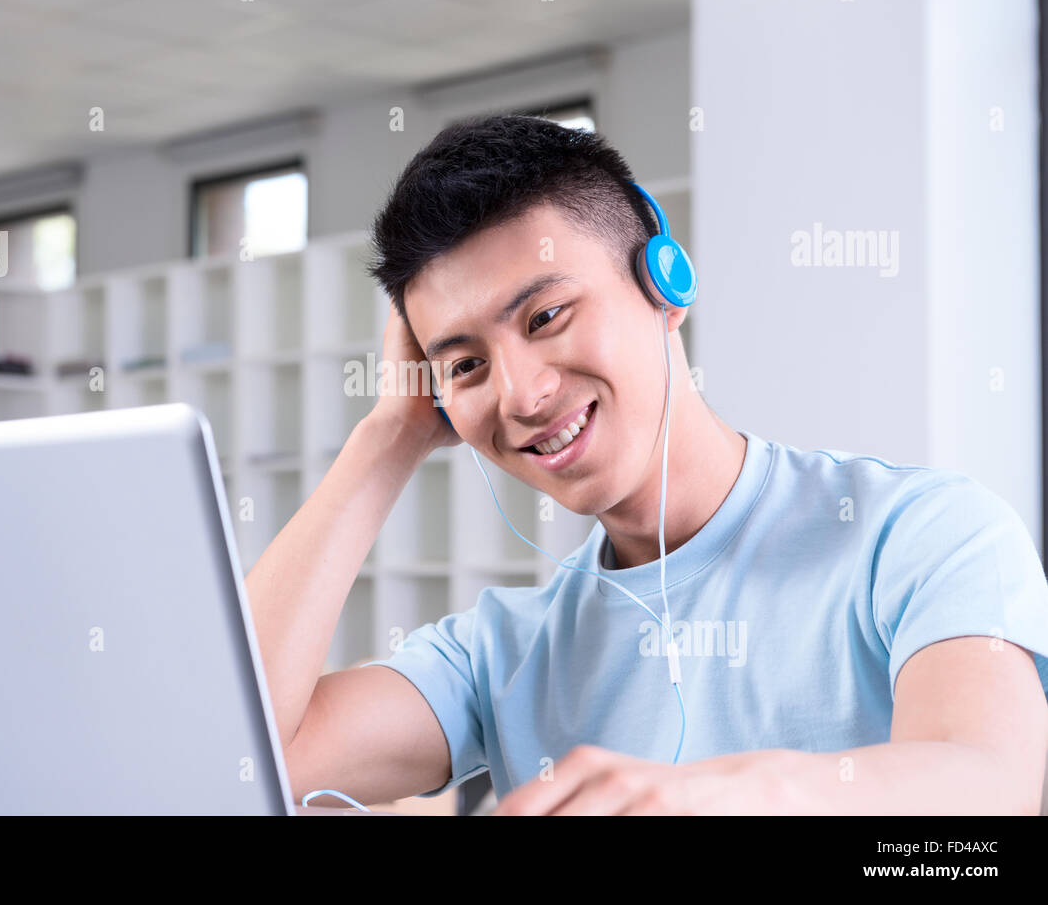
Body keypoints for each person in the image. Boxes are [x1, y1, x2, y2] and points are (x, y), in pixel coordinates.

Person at [244, 114, 1048, 814]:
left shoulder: (921, 534)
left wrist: (729, 794)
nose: (521, 394)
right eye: (465, 366)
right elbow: (244, 758)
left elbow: (986, 797)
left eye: (546, 315)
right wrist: (390, 433)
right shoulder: (503, 654)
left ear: (665, 281)